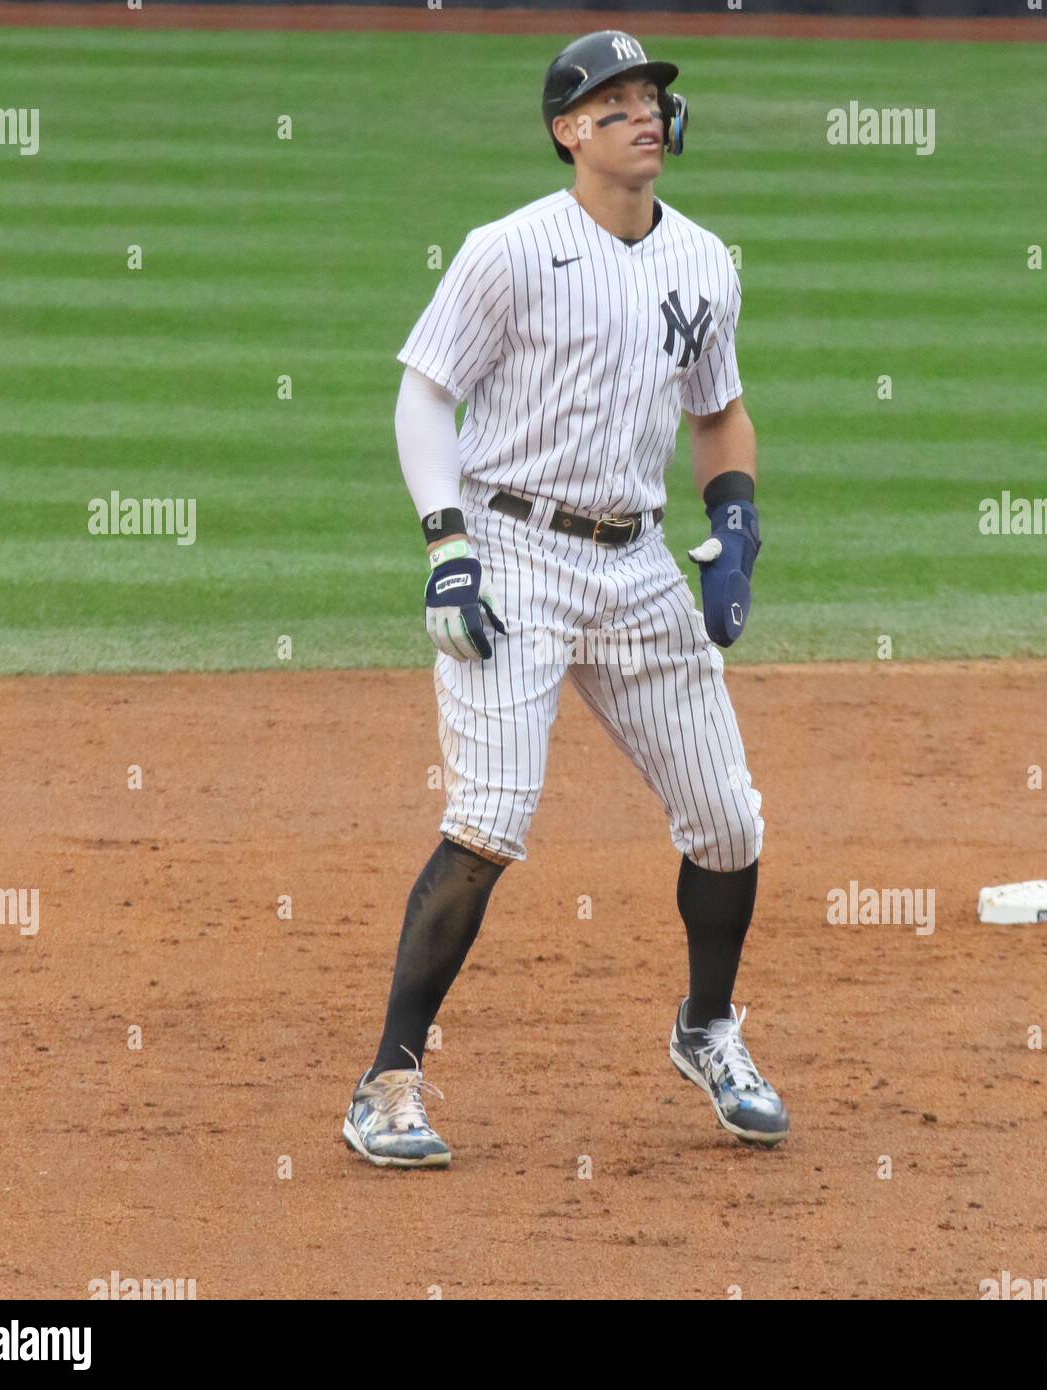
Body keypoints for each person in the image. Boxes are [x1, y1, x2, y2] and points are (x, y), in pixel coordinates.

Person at [343, 30, 787, 1168]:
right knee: (488, 820)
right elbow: (423, 396)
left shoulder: (703, 262)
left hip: (635, 562)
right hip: (514, 549)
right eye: (616, 100)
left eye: (651, 97)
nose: (644, 112)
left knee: (729, 823)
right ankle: (389, 1077)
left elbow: (718, 410)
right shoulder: (507, 251)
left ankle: (707, 1029)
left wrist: (733, 530)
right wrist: (448, 546)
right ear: (566, 131)